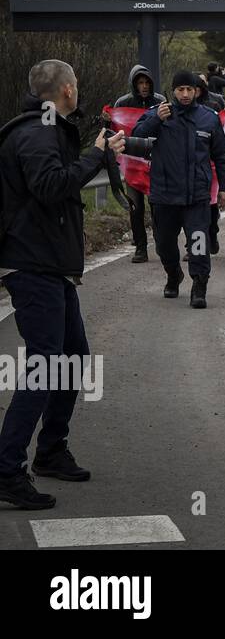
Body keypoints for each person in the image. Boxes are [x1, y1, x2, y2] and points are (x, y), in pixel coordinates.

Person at [0, 59, 125, 509]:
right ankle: (6, 469)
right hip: (32, 265)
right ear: (67, 89)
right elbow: (51, 186)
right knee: (45, 366)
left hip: (49, 264)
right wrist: (95, 154)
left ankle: (51, 451)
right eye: (77, 84)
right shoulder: (36, 132)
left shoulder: (46, 127)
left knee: (72, 357)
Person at [131, 71, 225, 309]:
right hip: (165, 195)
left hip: (197, 196)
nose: (185, 94)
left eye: (190, 89)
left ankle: (199, 285)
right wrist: (156, 119)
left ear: (196, 91)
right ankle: (173, 274)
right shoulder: (159, 113)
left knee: (198, 242)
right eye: (180, 90)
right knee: (164, 244)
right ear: (173, 91)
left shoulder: (208, 118)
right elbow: (136, 138)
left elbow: (221, 155)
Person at [110, 63, 163, 262]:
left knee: (157, 206)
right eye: (140, 83)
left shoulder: (160, 101)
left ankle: (161, 242)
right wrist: (107, 121)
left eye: (146, 82)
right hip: (132, 164)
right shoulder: (122, 103)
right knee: (136, 207)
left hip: (154, 163)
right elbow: (114, 131)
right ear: (134, 84)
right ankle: (140, 247)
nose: (144, 86)